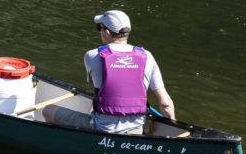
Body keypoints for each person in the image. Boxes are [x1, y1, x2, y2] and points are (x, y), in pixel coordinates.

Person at [43, 10, 175, 135]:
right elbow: (165, 104)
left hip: (102, 129)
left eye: (99, 28)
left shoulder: (92, 55)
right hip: (136, 129)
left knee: (47, 110)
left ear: (107, 32)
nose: (99, 31)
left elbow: (99, 92)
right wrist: (174, 126)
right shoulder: (147, 56)